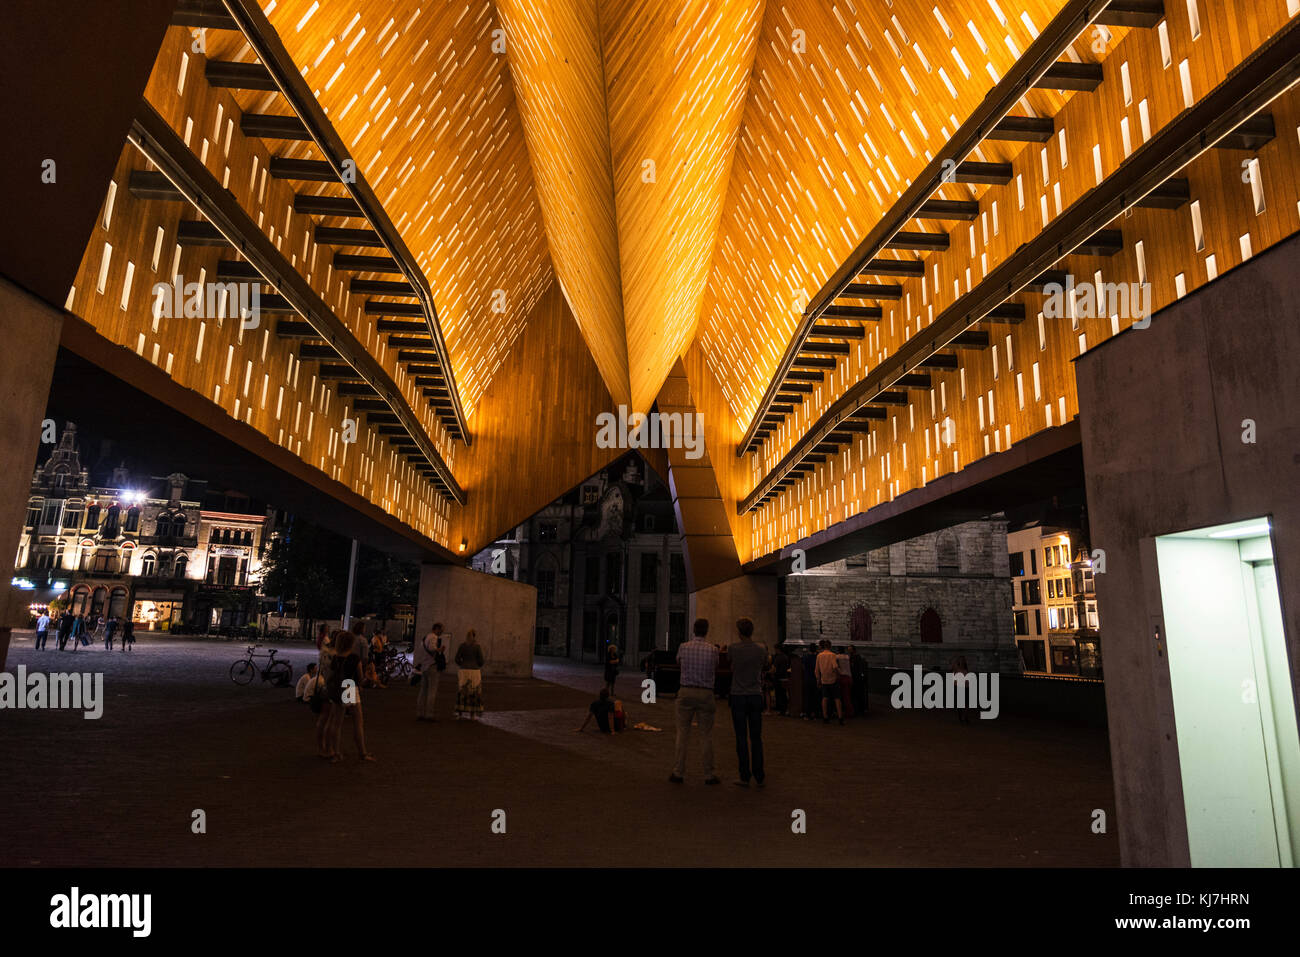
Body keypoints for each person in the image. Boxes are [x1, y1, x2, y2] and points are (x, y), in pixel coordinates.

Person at [670, 618, 720, 785]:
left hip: (686, 691)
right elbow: (715, 667)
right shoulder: (713, 650)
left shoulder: (684, 647)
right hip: (706, 693)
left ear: (693, 630)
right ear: (706, 631)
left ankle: (678, 772)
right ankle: (709, 774)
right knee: (706, 735)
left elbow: (678, 662)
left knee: (682, 733)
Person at [727, 617, 768, 788]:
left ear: (739, 632)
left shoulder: (733, 649)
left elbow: (731, 667)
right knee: (756, 737)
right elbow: (765, 666)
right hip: (755, 695)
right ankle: (759, 776)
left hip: (738, 694)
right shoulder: (761, 649)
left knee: (741, 737)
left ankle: (744, 776)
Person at [325, 631, 374, 762]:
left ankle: (336, 753)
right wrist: (367, 679)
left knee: (337, 723)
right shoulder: (354, 658)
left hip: (337, 689)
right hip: (349, 686)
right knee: (358, 722)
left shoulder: (335, 658)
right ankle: (362, 752)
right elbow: (360, 679)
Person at [413, 624, 444, 721]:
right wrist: (440, 650)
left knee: (423, 691)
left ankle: (420, 713)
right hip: (432, 666)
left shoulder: (425, 638)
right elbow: (432, 648)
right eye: (441, 630)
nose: (441, 632)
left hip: (424, 667)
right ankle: (429, 714)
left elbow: (422, 650)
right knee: (432, 691)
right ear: (436, 629)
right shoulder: (434, 637)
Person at [454, 629, 485, 719]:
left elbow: (457, 659)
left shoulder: (462, 646)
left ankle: (460, 713)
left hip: (464, 670)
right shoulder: (477, 647)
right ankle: (472, 714)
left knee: (462, 691)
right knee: (474, 691)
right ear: (474, 636)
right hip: (474, 671)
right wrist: (477, 664)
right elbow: (481, 661)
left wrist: (462, 664)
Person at [816, 639, 844, 725]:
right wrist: (840, 674)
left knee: (825, 698)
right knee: (837, 698)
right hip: (833, 680)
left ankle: (825, 717)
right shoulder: (832, 655)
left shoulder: (819, 656)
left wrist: (818, 680)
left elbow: (817, 670)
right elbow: (835, 666)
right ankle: (840, 717)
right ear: (830, 646)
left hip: (824, 680)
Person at [771, 644, 790, 716]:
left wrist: (771, 672)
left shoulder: (778, 658)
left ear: (778, 649)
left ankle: (781, 710)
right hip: (784, 677)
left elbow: (774, 668)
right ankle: (784, 709)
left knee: (779, 694)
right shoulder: (785, 657)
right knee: (783, 694)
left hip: (778, 678)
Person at [836, 645, 854, 719]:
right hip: (849, 677)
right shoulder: (847, 657)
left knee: (843, 696)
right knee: (848, 696)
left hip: (842, 677)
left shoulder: (837, 657)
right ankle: (849, 711)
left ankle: (848, 712)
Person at [850, 646, 867, 716]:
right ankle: (860, 709)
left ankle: (860, 709)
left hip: (857, 678)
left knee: (858, 694)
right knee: (857, 694)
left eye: (850, 650)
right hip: (856, 678)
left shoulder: (856, 657)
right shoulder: (855, 657)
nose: (849, 651)